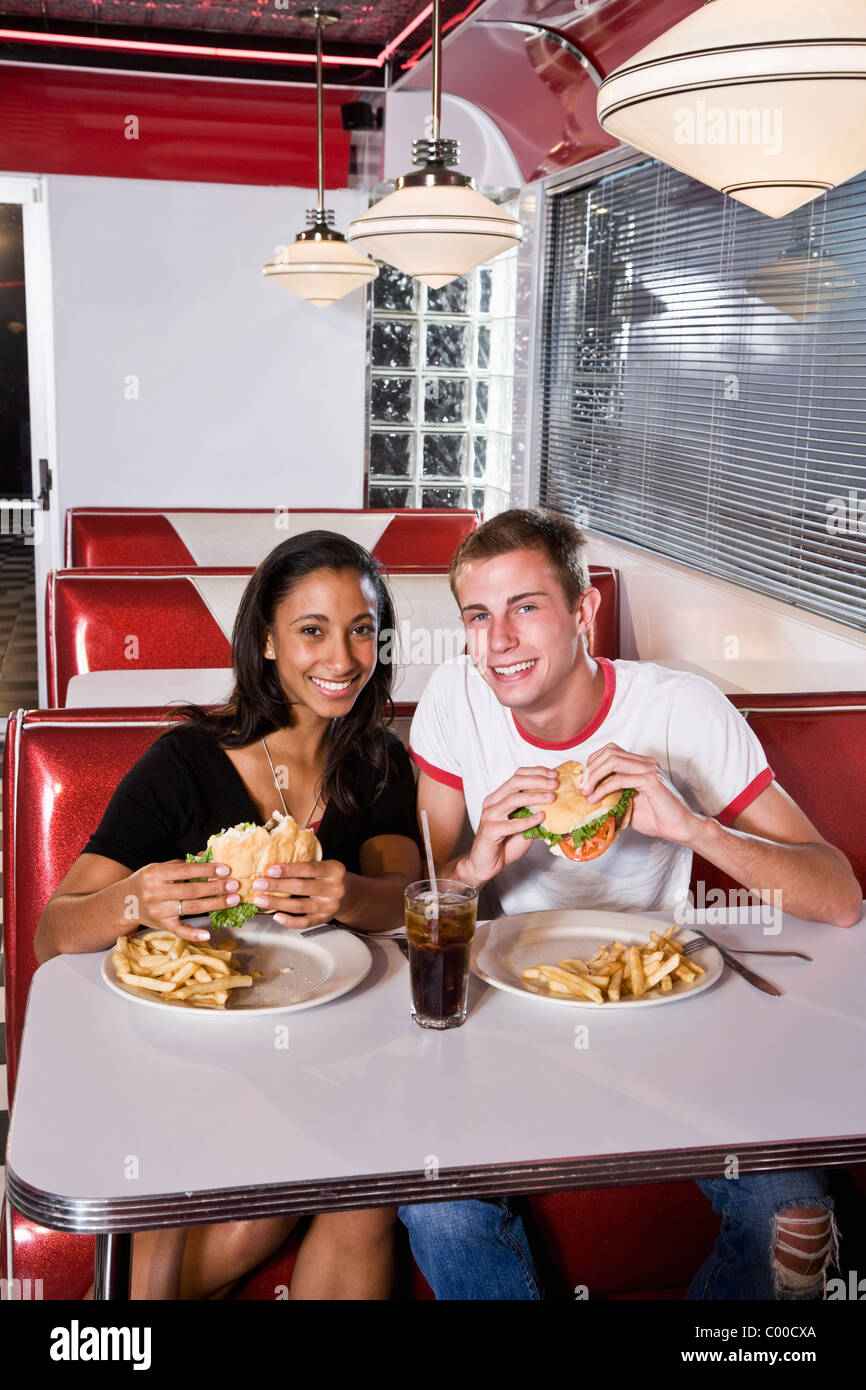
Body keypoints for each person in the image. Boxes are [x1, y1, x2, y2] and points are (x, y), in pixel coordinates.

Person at [399, 507, 860, 1300]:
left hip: (666, 1002)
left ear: (584, 612)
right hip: (502, 1012)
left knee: (795, 1212)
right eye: (478, 616)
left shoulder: (682, 709)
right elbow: (424, 894)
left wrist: (694, 827)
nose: (499, 639)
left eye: (527, 608)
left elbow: (841, 897)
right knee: (438, 1210)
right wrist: (475, 864)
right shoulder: (454, 700)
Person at [35, 530, 422, 1300]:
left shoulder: (381, 764)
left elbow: (406, 905)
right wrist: (135, 897)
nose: (341, 658)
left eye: (361, 630)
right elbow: (53, 932)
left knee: (365, 1194)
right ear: (267, 642)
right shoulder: (185, 763)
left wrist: (347, 893)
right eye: (311, 630)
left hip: (332, 1045)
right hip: (179, 1048)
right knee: (219, 1192)